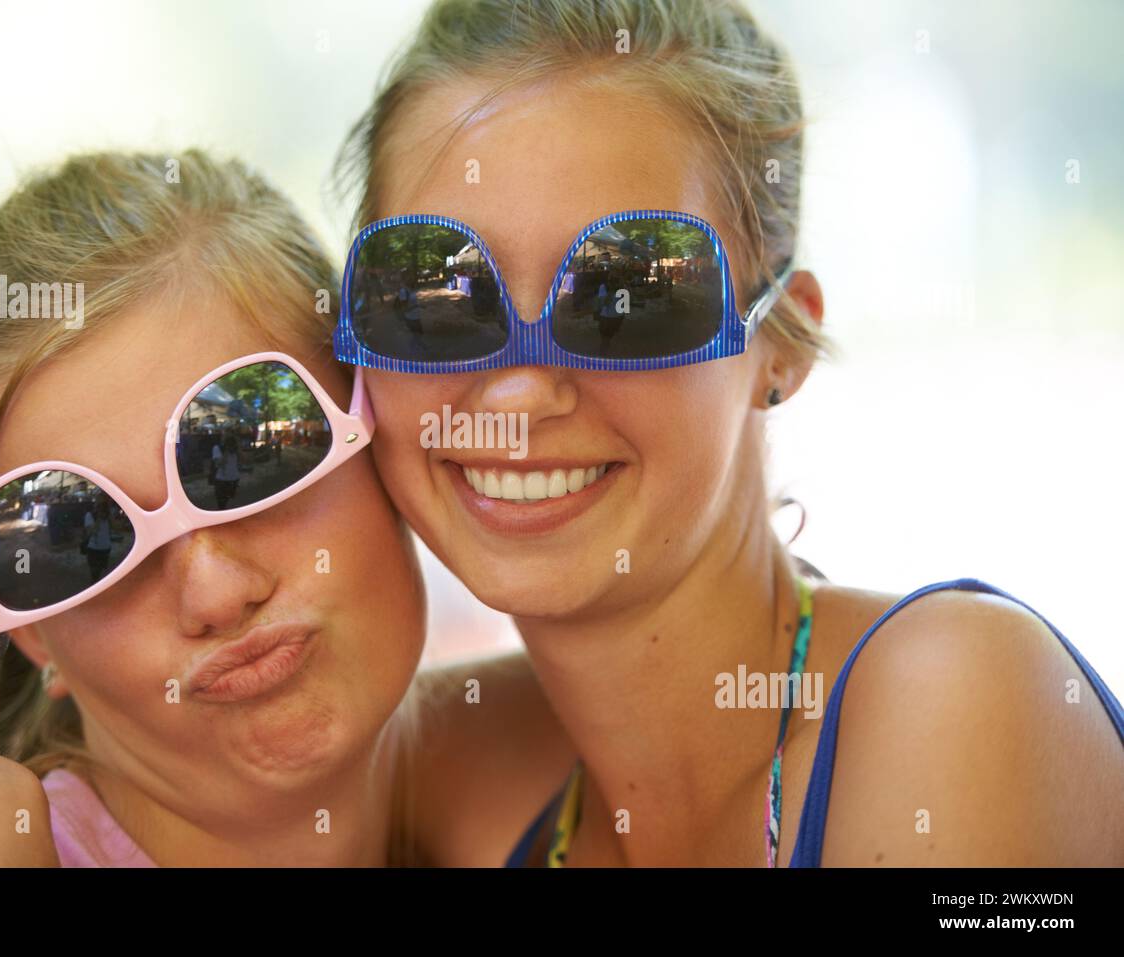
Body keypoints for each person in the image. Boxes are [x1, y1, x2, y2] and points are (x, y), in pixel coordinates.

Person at [331, 0, 1124, 865]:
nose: (521, 393)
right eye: (434, 296)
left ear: (780, 341)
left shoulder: (958, 694)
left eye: (626, 293)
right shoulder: (446, 770)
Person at [0, 150, 428, 867]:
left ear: (378, 420)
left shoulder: (539, 767)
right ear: (31, 633)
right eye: (74, 536)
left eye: (251, 449)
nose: (215, 591)